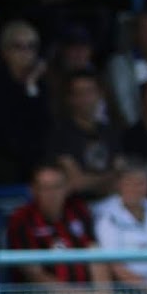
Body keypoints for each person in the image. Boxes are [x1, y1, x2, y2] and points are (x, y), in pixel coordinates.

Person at [5, 162, 135, 294]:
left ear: (66, 188)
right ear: (33, 190)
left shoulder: (78, 211)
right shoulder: (22, 220)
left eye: (57, 187)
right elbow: (34, 274)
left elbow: (95, 254)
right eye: (45, 188)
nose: (52, 193)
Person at [0, 20, 51, 185]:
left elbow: (44, 125)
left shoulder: (40, 83)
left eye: (31, 46)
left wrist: (30, 86)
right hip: (0, 154)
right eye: (18, 46)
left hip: (34, 153)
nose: (26, 52)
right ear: (5, 51)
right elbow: (6, 128)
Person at [92, 161, 147, 294]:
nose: (135, 188)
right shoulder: (105, 212)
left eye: (140, 183)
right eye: (129, 183)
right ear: (119, 184)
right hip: (126, 291)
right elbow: (115, 265)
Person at [48, 70, 120, 201]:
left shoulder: (110, 131)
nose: (85, 98)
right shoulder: (60, 134)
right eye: (79, 93)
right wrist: (109, 178)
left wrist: (92, 181)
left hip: (113, 203)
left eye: (89, 91)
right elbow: (77, 183)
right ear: (70, 98)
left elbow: (122, 176)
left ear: (100, 94)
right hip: (77, 207)